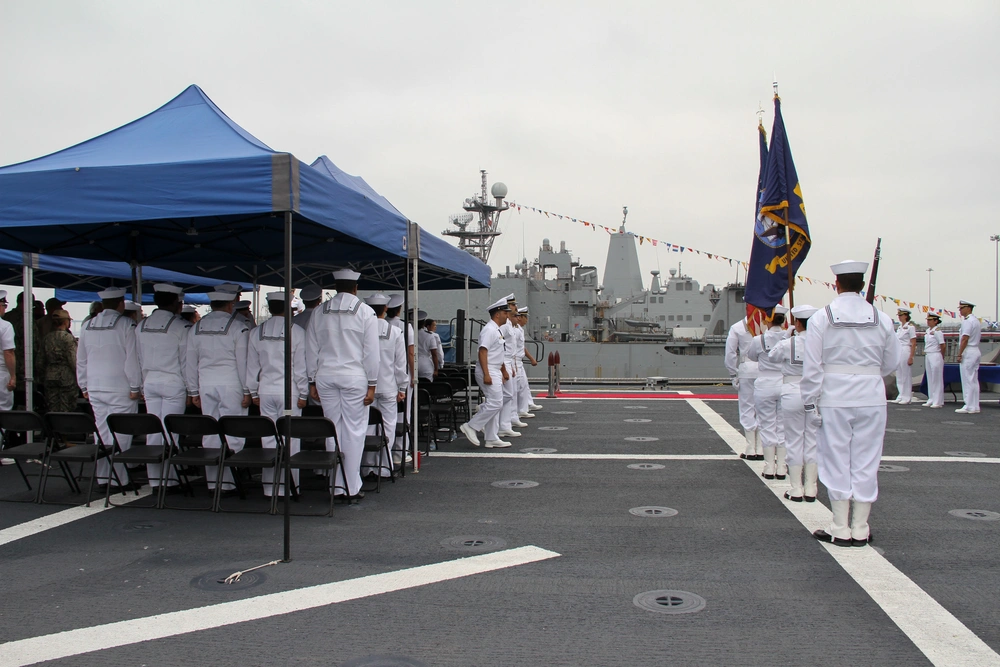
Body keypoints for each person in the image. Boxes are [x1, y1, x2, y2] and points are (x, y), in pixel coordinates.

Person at [801, 260, 899, 547]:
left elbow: (813, 365)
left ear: (836, 284)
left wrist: (809, 400)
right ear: (862, 284)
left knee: (836, 459)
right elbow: (890, 362)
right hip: (871, 396)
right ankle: (860, 527)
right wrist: (866, 376)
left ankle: (839, 526)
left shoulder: (822, 317)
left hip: (834, 396)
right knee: (868, 460)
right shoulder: (882, 318)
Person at [305, 269, 380, 501]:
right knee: (354, 431)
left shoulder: (319, 311)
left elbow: (311, 348)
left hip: (325, 376)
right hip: (354, 377)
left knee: (333, 430)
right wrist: (372, 383)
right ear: (355, 288)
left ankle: (335, 486)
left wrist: (311, 380)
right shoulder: (365, 312)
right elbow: (371, 353)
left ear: (336, 287)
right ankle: (350, 486)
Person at [184, 289, 251, 493]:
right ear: (231, 304)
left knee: (211, 433)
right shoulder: (238, 328)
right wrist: (248, 390)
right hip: (231, 383)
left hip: (206, 384)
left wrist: (193, 390)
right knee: (232, 432)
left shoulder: (196, 328)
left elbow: (190, 362)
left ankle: (213, 482)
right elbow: (242, 362)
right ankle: (229, 481)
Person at [76, 287, 142, 489]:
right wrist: (135, 385)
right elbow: (132, 358)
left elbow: (81, 359)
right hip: (119, 386)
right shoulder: (126, 324)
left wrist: (83, 384)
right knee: (121, 432)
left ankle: (104, 477)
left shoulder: (88, 325)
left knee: (102, 433)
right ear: (121, 303)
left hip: (95, 386)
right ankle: (119, 479)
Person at [246, 291, 307, 498]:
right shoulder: (297, 331)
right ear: (289, 307)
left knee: (269, 440)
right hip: (289, 391)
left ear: (270, 308)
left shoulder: (257, 332)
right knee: (290, 440)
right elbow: (300, 367)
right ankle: (291, 486)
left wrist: (253, 391)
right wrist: (304, 393)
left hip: (266, 390)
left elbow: (251, 366)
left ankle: (271, 487)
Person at [136, 283, 190, 490]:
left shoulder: (141, 325)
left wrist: (140, 384)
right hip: (172, 382)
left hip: (150, 381)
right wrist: (190, 388)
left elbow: (138, 359)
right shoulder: (181, 327)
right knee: (170, 431)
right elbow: (185, 361)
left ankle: (155, 479)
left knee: (154, 431)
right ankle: (170, 478)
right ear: (177, 303)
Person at [768, 304, 819, 502]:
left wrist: (787, 338)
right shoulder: (819, 344)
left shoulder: (787, 343)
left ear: (797, 323)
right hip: (814, 393)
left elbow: (772, 357)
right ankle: (811, 488)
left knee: (794, 440)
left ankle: (796, 488)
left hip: (792, 391)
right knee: (813, 441)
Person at [362, 293, 407, 480]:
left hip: (366, 388)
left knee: (367, 428)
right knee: (388, 428)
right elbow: (400, 364)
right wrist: (402, 388)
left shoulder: (362, 331)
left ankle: (366, 468)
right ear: (385, 309)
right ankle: (385, 467)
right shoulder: (395, 332)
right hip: (389, 387)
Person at [458, 298, 513, 448]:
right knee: (496, 403)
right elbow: (483, 352)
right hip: (487, 369)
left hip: (494, 369)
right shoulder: (489, 330)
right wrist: (487, 374)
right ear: (497, 314)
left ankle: (491, 437)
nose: (507, 316)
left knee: (496, 403)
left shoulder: (497, 330)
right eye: (505, 313)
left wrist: (502, 370)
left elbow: (497, 353)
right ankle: (471, 426)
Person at [747, 305, 789, 480]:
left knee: (767, 425)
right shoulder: (789, 339)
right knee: (783, 427)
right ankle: (782, 467)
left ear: (767, 319)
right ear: (784, 320)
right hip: (785, 382)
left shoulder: (759, 340)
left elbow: (751, 356)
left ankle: (769, 466)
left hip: (765, 383)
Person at [725, 314, 763, 460]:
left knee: (747, 407)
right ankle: (761, 448)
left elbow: (730, 353)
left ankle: (750, 448)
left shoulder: (737, 327)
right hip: (765, 369)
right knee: (763, 408)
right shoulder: (766, 325)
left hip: (746, 369)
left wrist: (733, 374)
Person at [386, 294, 414, 464]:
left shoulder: (376, 325)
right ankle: (400, 451)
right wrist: (413, 374)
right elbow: (410, 352)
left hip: (381, 376)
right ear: (399, 309)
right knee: (404, 413)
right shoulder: (404, 327)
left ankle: (383, 453)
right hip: (401, 373)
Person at [2, 291, 41, 410]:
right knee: (23, 399)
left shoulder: (8, 316)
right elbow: (9, 351)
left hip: (15, 365)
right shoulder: (9, 322)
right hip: (20, 366)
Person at [38, 308, 78, 414]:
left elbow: (40, 361)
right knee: (67, 408)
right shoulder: (68, 338)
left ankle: (54, 429)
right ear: (66, 322)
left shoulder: (47, 338)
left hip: (50, 375)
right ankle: (65, 429)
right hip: (67, 377)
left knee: (52, 408)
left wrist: (44, 375)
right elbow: (73, 361)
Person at [955, 300, 981, 414]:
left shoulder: (967, 321)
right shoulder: (975, 320)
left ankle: (968, 405)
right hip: (976, 350)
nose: (960, 310)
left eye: (961, 308)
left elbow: (965, 338)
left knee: (967, 379)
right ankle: (975, 405)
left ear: (968, 308)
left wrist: (960, 353)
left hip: (969, 350)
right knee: (974, 379)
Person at [515, 308, 542, 415]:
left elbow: (522, 347)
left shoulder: (519, 329)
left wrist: (531, 358)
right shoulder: (515, 330)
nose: (527, 320)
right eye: (525, 317)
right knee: (515, 388)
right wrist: (531, 359)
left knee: (523, 385)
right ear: (520, 317)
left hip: (518, 361)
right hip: (513, 361)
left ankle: (526, 405)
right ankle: (521, 410)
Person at [890, 308, 917, 404]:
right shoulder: (900, 327)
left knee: (905, 374)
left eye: (901, 315)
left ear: (905, 316)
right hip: (899, 350)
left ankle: (907, 396)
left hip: (906, 349)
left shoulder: (910, 327)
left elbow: (913, 343)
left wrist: (911, 356)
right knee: (899, 374)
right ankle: (901, 394)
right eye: (898, 315)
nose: (899, 317)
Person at [922, 312, 945, 408]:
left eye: (930, 320)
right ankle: (931, 398)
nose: (928, 321)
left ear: (936, 321)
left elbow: (942, 345)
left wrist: (941, 357)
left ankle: (938, 401)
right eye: (927, 320)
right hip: (928, 354)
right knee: (930, 378)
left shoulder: (938, 332)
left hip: (936, 354)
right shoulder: (928, 331)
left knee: (937, 379)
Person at [0, 291, 17, 411]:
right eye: (4, 305)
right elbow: (8, 352)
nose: (5, 309)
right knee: (3, 411)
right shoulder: (5, 326)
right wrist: (13, 376)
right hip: (1, 373)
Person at [416, 311, 438, 383]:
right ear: (424, 324)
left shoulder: (410, 334)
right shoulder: (429, 335)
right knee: (427, 386)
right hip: (425, 364)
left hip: (413, 363)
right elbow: (434, 354)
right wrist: (436, 369)